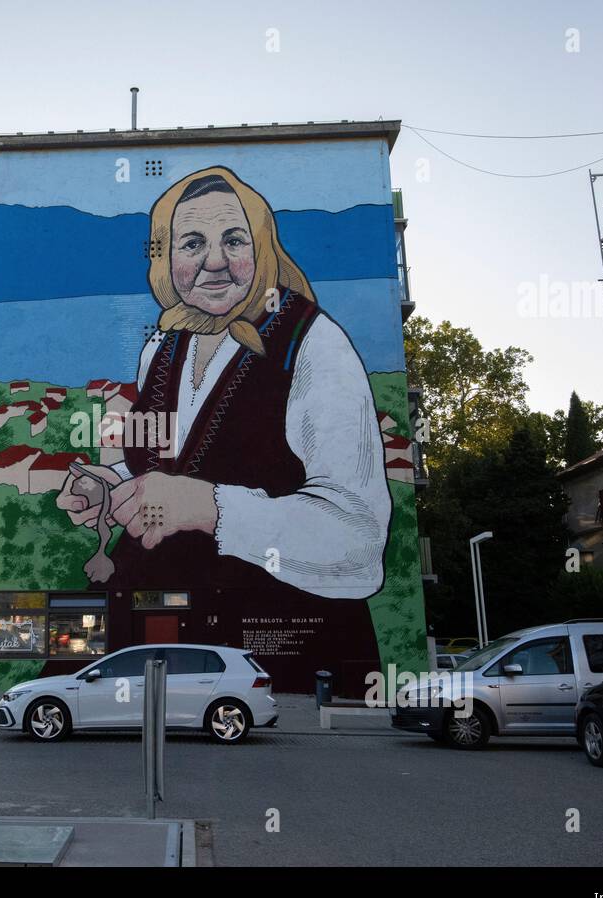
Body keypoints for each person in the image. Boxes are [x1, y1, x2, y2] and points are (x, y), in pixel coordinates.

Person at [55, 166, 391, 695]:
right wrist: (107, 484)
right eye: (192, 243)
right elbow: (167, 463)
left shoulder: (314, 344)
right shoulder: (163, 348)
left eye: (234, 240)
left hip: (280, 656)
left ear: (262, 246)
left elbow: (360, 539)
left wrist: (208, 506)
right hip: (158, 636)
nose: (214, 261)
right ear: (166, 258)